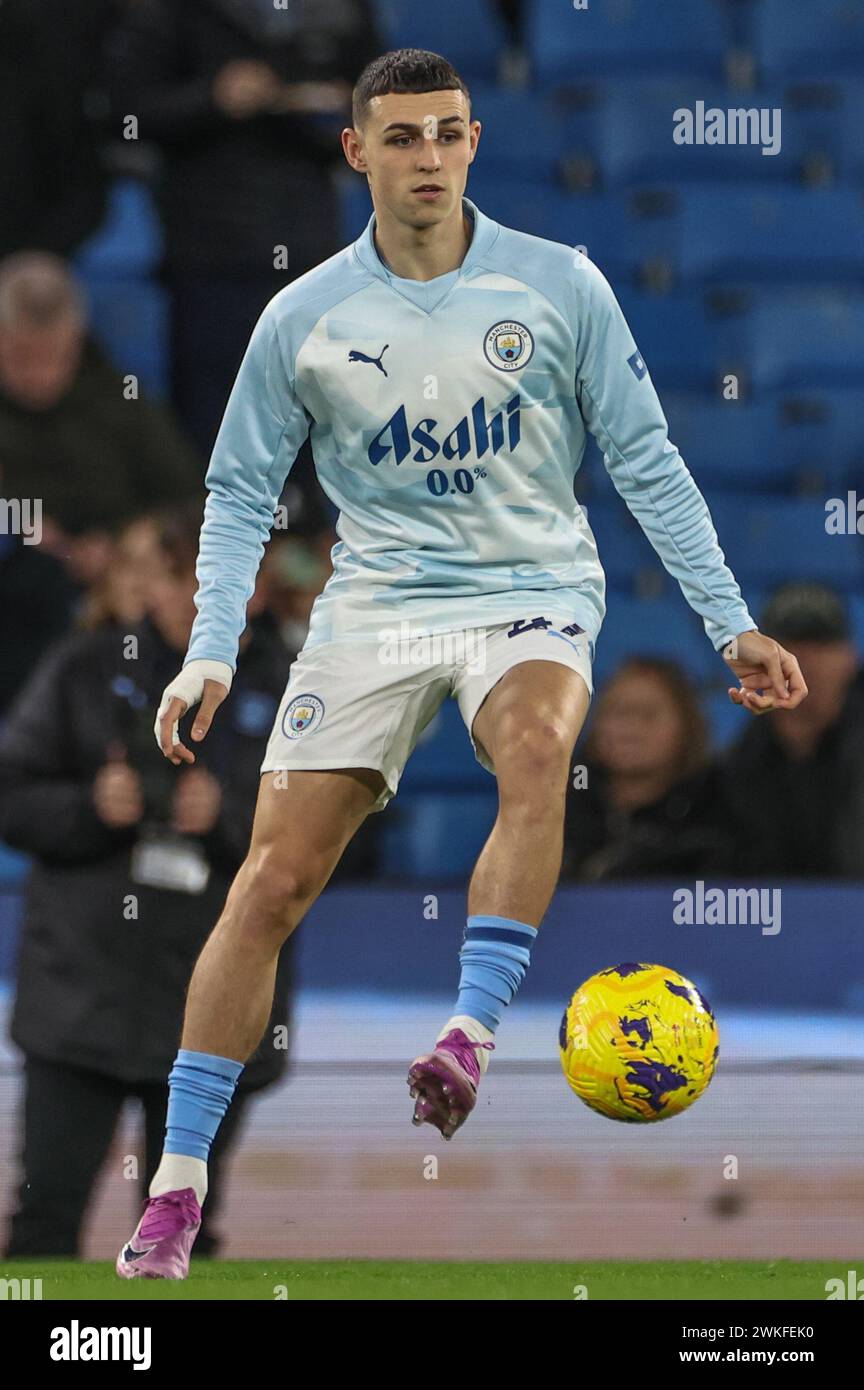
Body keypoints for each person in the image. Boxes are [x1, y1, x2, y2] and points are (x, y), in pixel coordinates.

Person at [116, 48, 807, 1279]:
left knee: (537, 750)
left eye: (448, 134)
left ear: (475, 142)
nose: (428, 158)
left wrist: (729, 620)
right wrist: (209, 650)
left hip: (529, 587)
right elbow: (235, 495)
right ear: (357, 152)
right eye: (403, 139)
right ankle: (174, 1187)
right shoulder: (305, 315)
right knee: (270, 881)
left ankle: (468, 1036)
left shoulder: (559, 285)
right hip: (376, 603)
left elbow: (644, 459)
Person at [0, 507, 295, 1259]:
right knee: (43, 1222)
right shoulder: (85, 665)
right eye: (188, 580)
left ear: (257, 590)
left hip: (214, 999)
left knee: (179, 1234)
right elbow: (10, 792)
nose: (204, 599)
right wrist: (89, 807)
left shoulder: (300, 687)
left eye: (226, 581)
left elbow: (347, 833)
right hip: (82, 992)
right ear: (153, 587)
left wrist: (231, 818)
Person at [0, 252, 203, 591]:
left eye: (52, 357)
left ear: (76, 341)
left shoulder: (121, 400)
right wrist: (17, 522)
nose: (39, 375)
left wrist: (121, 540)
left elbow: (187, 497)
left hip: (114, 583)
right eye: (21, 356)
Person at [723, 583, 864, 877]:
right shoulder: (738, 767)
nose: (803, 659)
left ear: (850, 658)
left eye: (821, 644)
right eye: (786, 645)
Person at [561, 657, 737, 880]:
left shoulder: (723, 809)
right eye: (618, 712)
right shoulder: (563, 801)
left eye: (648, 714)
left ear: (687, 727)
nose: (630, 728)